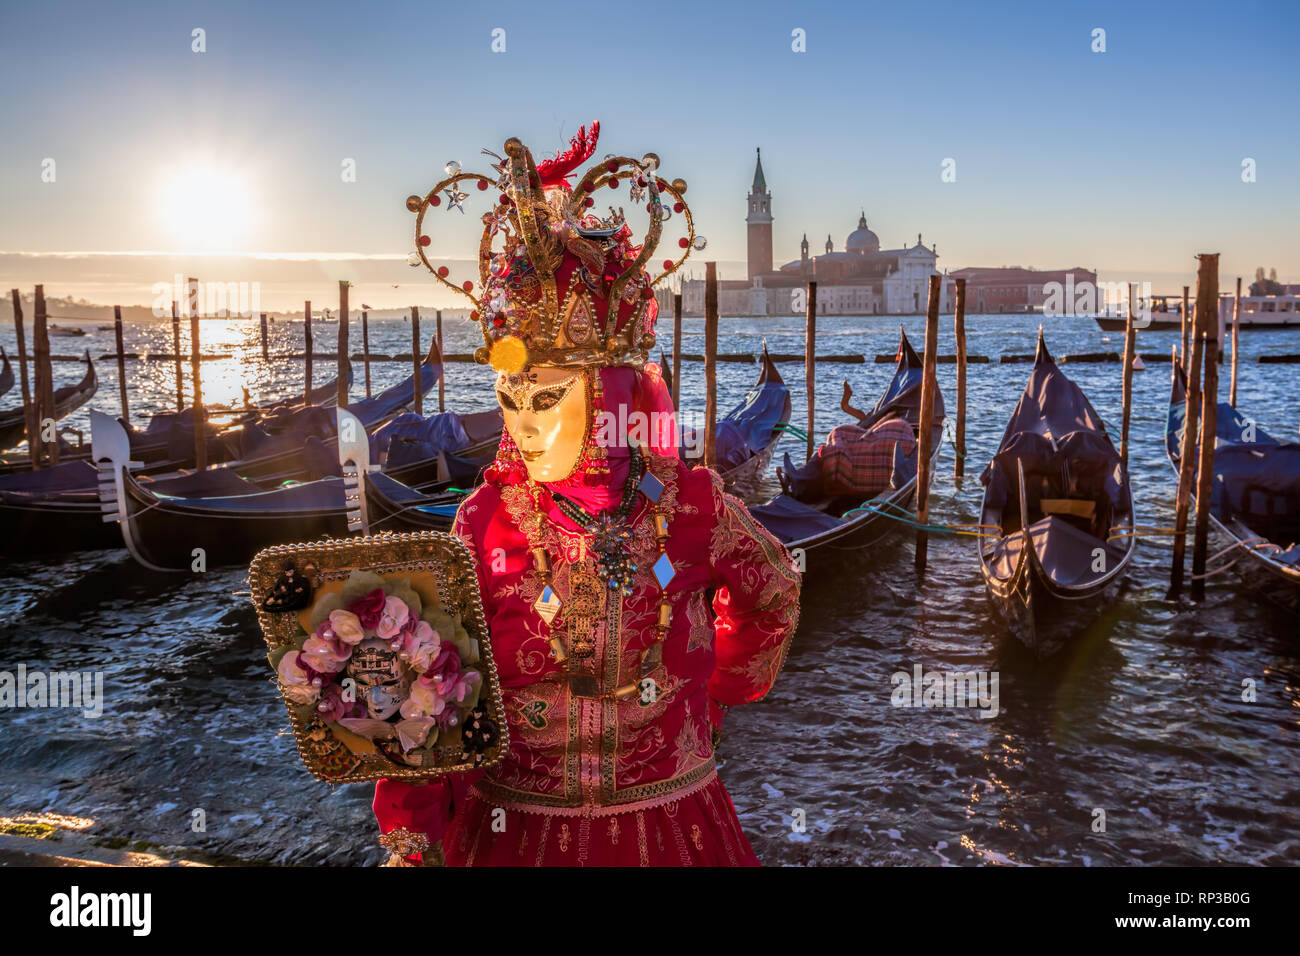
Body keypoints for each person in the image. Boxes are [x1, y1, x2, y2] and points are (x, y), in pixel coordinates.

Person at [372, 124, 801, 866]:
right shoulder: (484, 523)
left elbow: (772, 596)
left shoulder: (693, 506)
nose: (523, 428)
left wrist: (707, 693)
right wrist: (409, 836)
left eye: (547, 401)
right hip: (517, 829)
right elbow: (430, 682)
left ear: (609, 396)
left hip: (670, 825)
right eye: (510, 401)